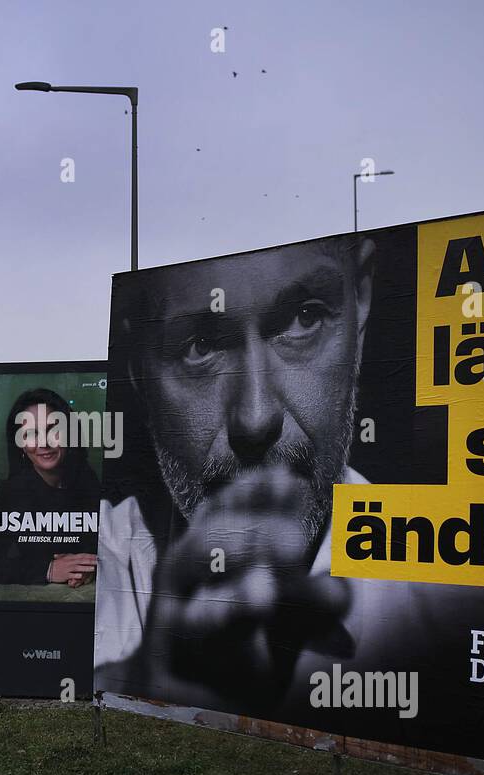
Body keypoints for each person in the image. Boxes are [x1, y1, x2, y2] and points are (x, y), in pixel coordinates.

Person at [94, 235, 435, 717]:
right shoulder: (93, 568)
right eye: (200, 346)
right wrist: (136, 688)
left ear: (361, 300)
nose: (255, 418)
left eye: (304, 319)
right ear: (136, 366)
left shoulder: (456, 591)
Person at [0, 387, 101, 587]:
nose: (43, 443)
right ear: (20, 443)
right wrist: (48, 569)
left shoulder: (89, 481)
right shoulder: (12, 492)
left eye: (53, 430)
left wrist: (87, 568)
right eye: (31, 433)